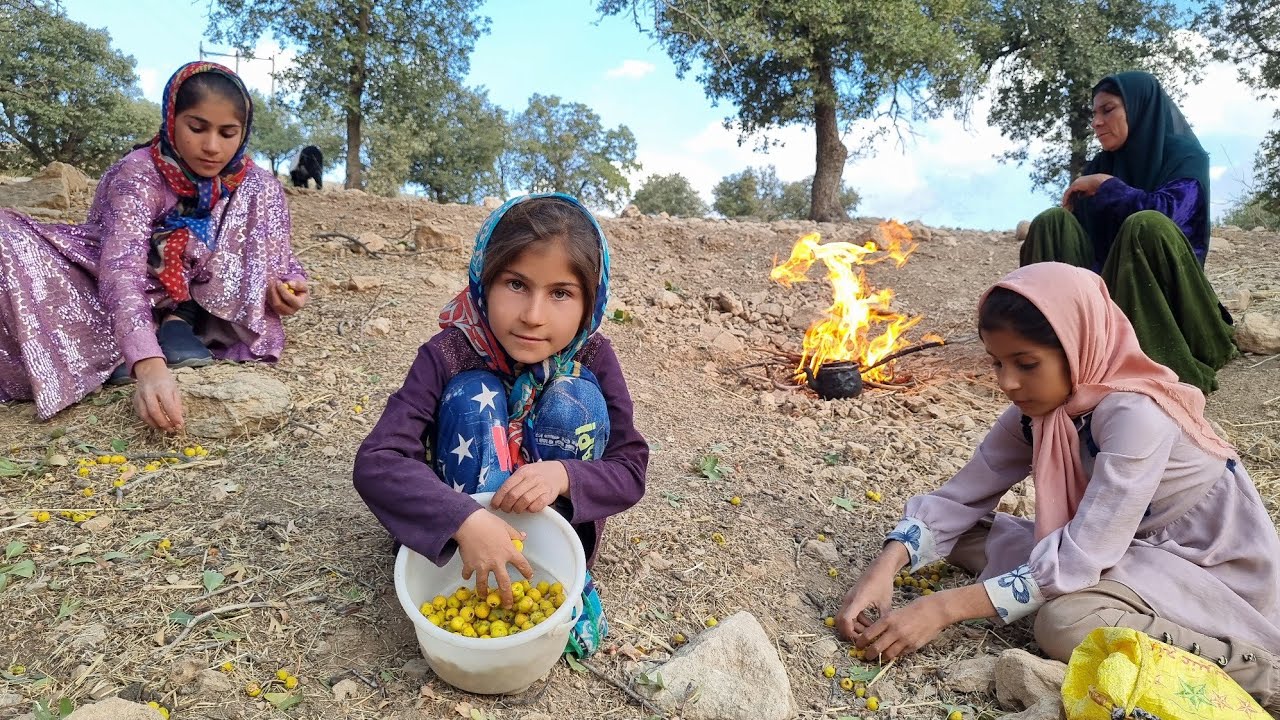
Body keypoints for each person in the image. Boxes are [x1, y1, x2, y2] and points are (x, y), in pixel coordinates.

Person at [836, 262, 1280, 713]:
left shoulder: (1137, 415)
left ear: (1078, 346)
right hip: (1121, 550)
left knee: (1064, 622)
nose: (1007, 383)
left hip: (1203, 567)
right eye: (997, 363)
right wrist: (884, 569)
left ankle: (1261, 673)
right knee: (958, 533)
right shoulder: (1039, 415)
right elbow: (959, 498)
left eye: (1026, 364)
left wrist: (943, 608)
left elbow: (1080, 556)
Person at [352, 193, 648, 657]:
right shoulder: (448, 352)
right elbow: (378, 461)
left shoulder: (594, 356)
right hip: (458, 537)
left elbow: (630, 470)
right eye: (515, 284)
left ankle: (559, 568)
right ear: (484, 280)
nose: (533, 315)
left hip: (551, 533)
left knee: (576, 399)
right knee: (473, 394)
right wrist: (462, 517)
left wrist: (565, 476)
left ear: (590, 302)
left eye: (560, 293)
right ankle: (469, 561)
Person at [0, 61, 308, 431]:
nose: (212, 147)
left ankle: (181, 320)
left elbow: (277, 254)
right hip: (109, 288)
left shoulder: (251, 184)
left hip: (200, 299)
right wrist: (147, 363)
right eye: (197, 128)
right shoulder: (137, 172)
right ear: (171, 117)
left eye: (228, 133)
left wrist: (288, 284)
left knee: (263, 187)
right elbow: (120, 270)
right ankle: (124, 344)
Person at [1020, 71, 1235, 394]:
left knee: (1145, 224)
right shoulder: (1099, 164)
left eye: (1108, 110)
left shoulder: (1184, 157)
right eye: (1094, 113)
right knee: (1052, 221)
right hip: (1112, 306)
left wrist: (1109, 187)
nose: (1096, 122)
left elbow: (1173, 218)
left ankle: (1158, 365)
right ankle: (1049, 349)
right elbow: (1086, 253)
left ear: (1138, 109)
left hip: (1178, 309)